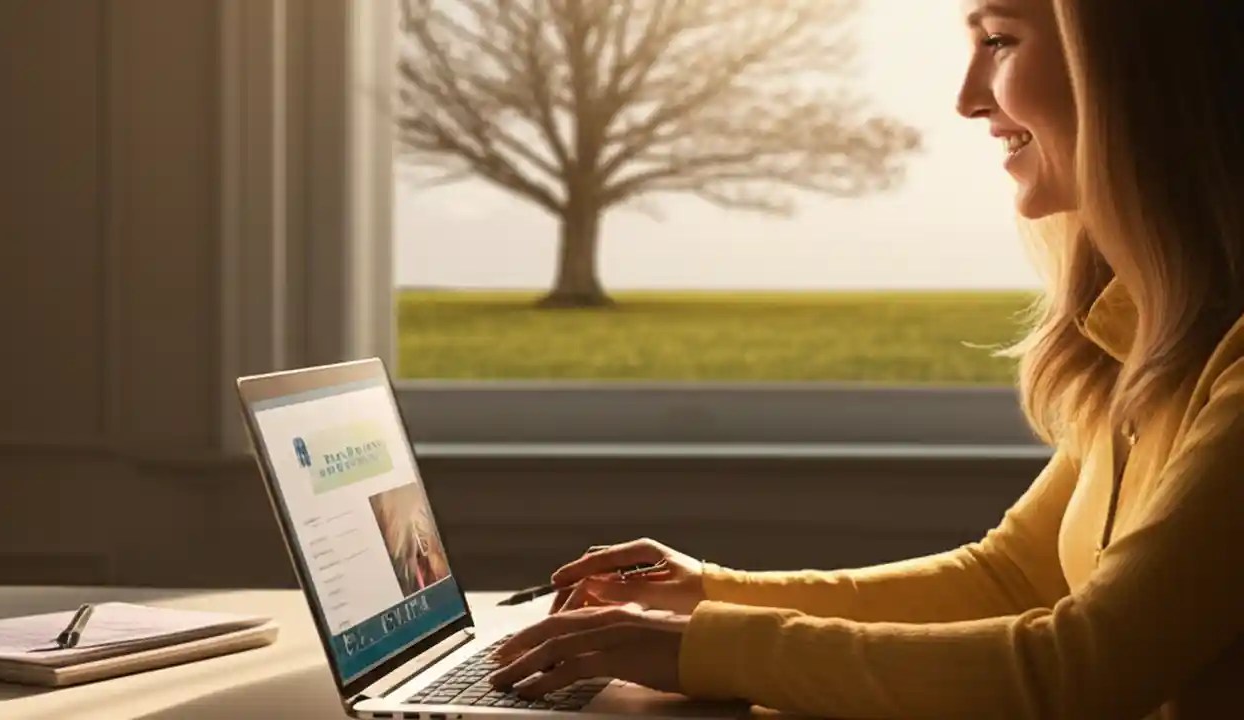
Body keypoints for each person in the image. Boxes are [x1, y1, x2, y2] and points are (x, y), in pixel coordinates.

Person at [486, 0, 1244, 717]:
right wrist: (708, 593)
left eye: (1000, 40)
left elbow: (1084, 668)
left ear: (1133, 67)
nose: (968, 98)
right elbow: (1011, 576)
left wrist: (701, 646)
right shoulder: (1141, 341)